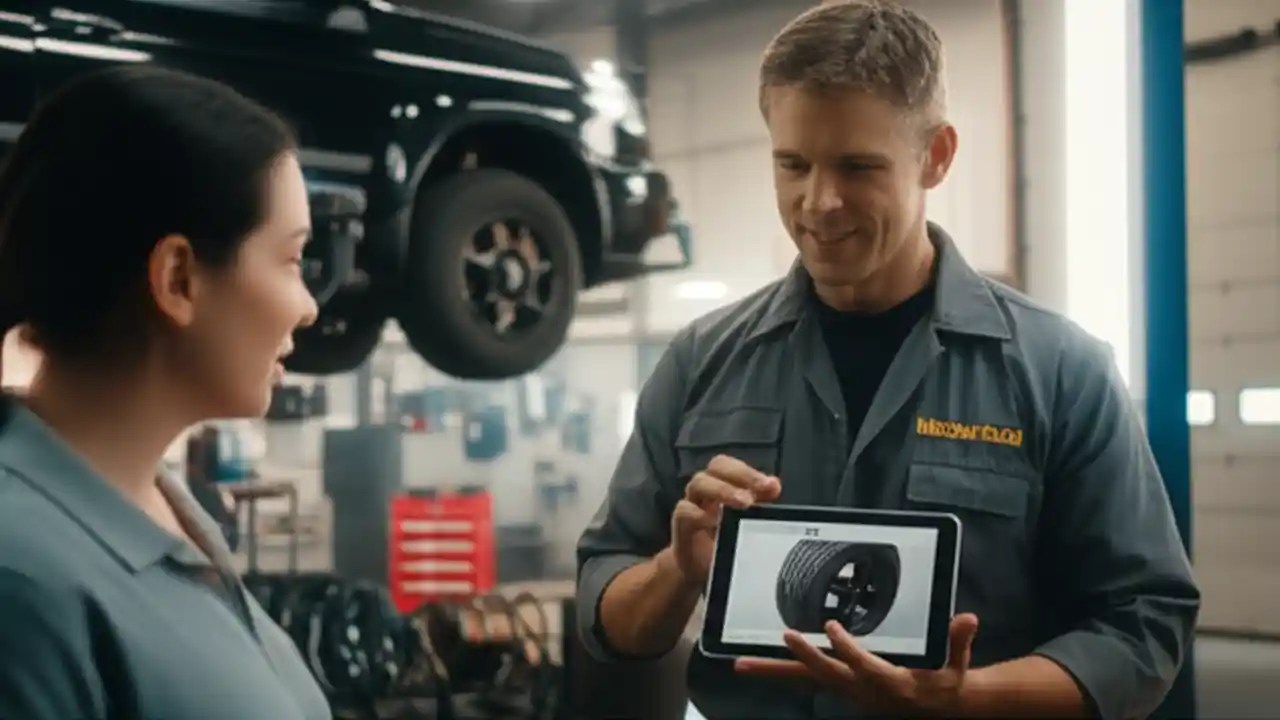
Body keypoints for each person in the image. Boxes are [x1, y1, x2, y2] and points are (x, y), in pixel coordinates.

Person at [575, 2, 1200, 719]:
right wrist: (676, 572)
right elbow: (607, 609)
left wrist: (968, 699)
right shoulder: (701, 362)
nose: (820, 202)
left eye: (858, 166)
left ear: (935, 155)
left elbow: (1142, 627)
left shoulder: (1061, 372)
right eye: (793, 164)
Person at [0, 66, 328, 719]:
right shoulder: (22, 581)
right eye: (292, 261)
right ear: (178, 278)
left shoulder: (174, 520)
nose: (310, 307)